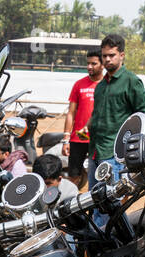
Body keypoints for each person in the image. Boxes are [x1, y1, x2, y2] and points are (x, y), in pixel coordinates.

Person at [82, 33, 145, 183]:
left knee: (112, 201)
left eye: (112, 55)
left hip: (115, 154)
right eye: (104, 56)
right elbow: (96, 114)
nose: (107, 59)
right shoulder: (100, 86)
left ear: (122, 55)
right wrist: (88, 126)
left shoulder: (131, 81)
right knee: (94, 201)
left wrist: (131, 147)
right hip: (95, 152)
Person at [64, 51, 101, 188]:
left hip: (98, 139)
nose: (89, 67)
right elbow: (71, 112)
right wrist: (66, 138)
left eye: (94, 63)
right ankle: (70, 204)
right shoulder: (79, 84)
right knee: (73, 175)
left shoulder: (106, 85)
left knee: (99, 175)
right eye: (88, 63)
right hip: (79, 137)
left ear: (102, 65)